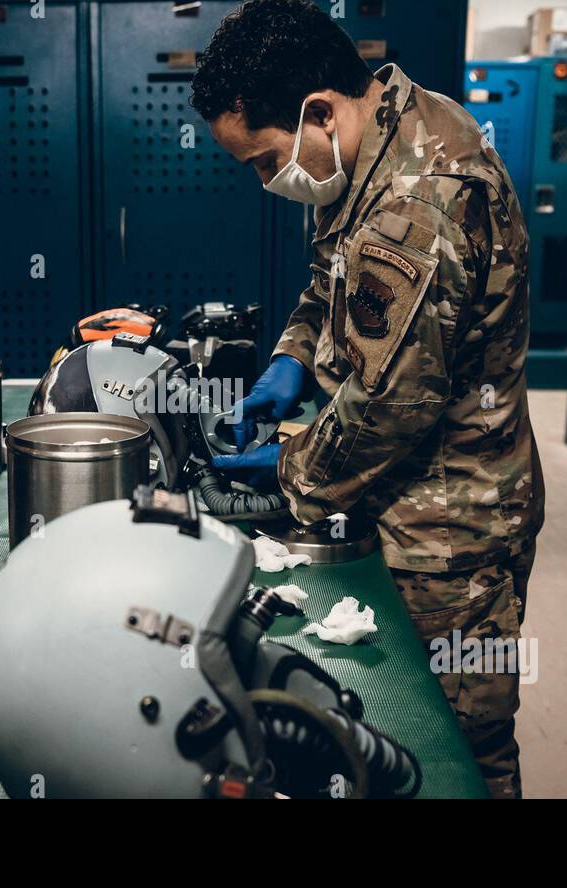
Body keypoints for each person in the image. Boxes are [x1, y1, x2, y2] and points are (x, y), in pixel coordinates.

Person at [191, 0, 544, 799]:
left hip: (453, 533)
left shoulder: (420, 199)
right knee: (388, 740)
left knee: (461, 754)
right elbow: (331, 282)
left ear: (318, 112)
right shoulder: (381, 132)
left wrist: (283, 474)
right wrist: (287, 362)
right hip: (402, 498)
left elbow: (393, 407)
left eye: (262, 159)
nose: (262, 180)